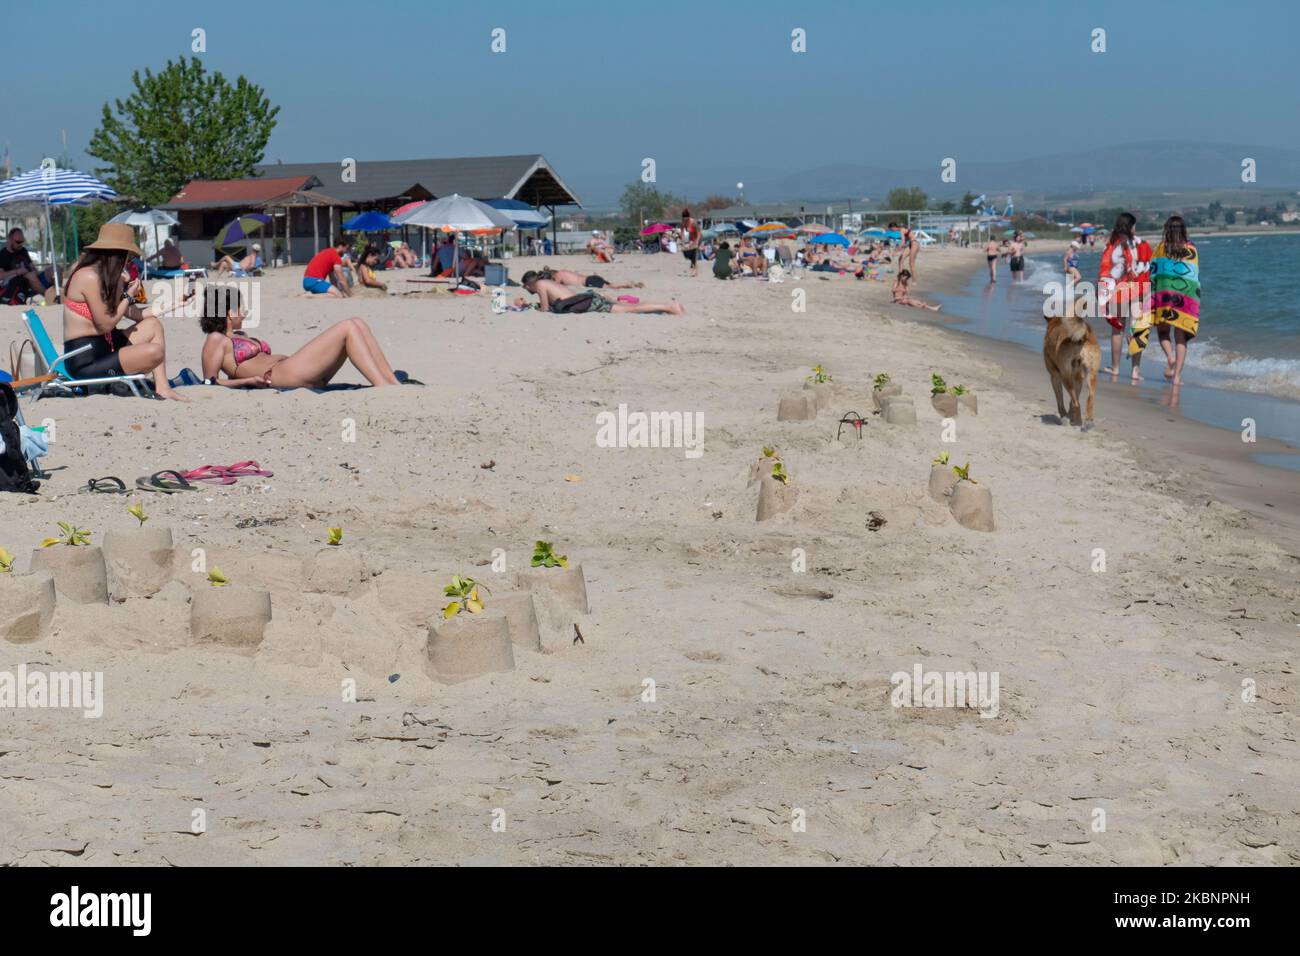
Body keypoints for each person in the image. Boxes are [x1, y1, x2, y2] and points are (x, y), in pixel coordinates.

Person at [59, 223, 190, 401]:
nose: (129, 261)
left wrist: (174, 304)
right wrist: (127, 295)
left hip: (106, 347)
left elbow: (135, 314)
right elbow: (105, 324)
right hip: (86, 360)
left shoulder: (107, 277)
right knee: (155, 352)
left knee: (153, 325)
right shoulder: (88, 276)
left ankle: (163, 387)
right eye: (129, 257)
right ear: (118, 254)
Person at [200, 286, 401, 388]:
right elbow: (210, 382)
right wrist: (248, 381)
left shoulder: (240, 336)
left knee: (358, 323)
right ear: (230, 312)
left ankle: (392, 383)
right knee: (348, 327)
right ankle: (382, 386)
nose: (244, 312)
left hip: (290, 369)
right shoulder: (216, 339)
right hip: (281, 375)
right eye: (241, 308)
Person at [1147, 215, 1199, 386]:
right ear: (1183, 230)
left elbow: (1153, 274)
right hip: (1184, 299)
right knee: (1181, 337)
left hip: (1164, 297)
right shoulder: (1191, 249)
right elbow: (1194, 277)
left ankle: (1170, 358)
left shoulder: (1160, 249)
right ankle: (1177, 377)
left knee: (1163, 332)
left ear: (1167, 230)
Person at [1097, 212, 1141, 375]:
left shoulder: (1111, 244)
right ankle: (1135, 370)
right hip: (1137, 288)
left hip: (1117, 289)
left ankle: (1115, 368)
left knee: (1118, 329)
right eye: (1134, 225)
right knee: (1137, 328)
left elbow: (1104, 268)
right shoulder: (1138, 243)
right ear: (1130, 227)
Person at [519, 273, 684, 315]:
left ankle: (669, 307)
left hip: (586, 302)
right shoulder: (548, 282)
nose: (527, 290)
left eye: (526, 288)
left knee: (629, 309)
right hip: (588, 297)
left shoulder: (540, 284)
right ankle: (667, 306)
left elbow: (545, 309)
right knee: (629, 306)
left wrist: (529, 307)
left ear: (528, 285)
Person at [0, 228, 54, 301]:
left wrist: (35, 271)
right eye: (18, 242)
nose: (20, 244)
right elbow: (1, 275)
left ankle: (59, 293)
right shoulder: (3, 254)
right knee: (31, 276)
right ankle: (51, 299)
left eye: (22, 242)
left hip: (33, 279)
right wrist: (17, 271)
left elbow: (32, 266)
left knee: (55, 269)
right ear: (10, 240)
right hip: (15, 282)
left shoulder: (23, 250)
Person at [528, 267, 643, 289]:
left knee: (612, 288)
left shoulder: (558, 277)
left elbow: (556, 286)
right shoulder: (563, 271)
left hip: (589, 281)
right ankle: (628, 284)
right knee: (611, 285)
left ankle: (627, 285)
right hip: (592, 277)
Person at [680, 208, 701, 277]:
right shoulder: (682, 223)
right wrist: (682, 243)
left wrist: (697, 243)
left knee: (694, 252)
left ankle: (695, 271)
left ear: (689, 217)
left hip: (698, 237)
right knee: (686, 252)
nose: (685, 221)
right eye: (684, 219)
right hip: (691, 238)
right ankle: (693, 268)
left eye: (687, 219)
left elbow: (699, 233)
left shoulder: (693, 222)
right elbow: (682, 233)